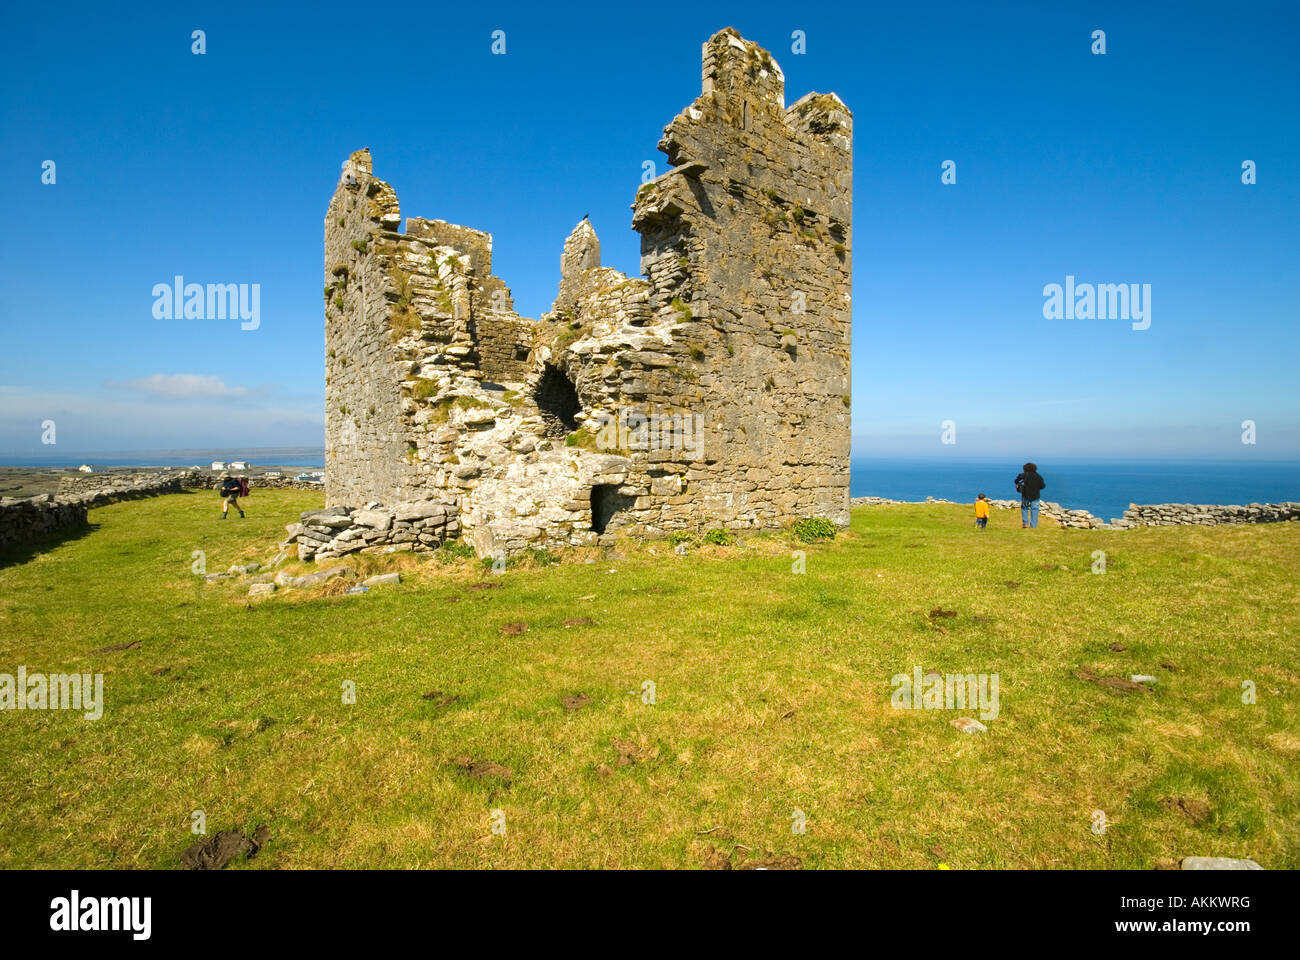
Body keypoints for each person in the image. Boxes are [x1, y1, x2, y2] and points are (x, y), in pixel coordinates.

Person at [1014, 462, 1046, 528]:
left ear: (1025, 468)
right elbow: (1043, 486)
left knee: (1024, 508)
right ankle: (1033, 526)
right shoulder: (1039, 476)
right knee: (1034, 509)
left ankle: (1025, 524)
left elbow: (1016, 481)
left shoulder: (1023, 475)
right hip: (1036, 495)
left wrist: (1018, 485)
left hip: (1025, 494)